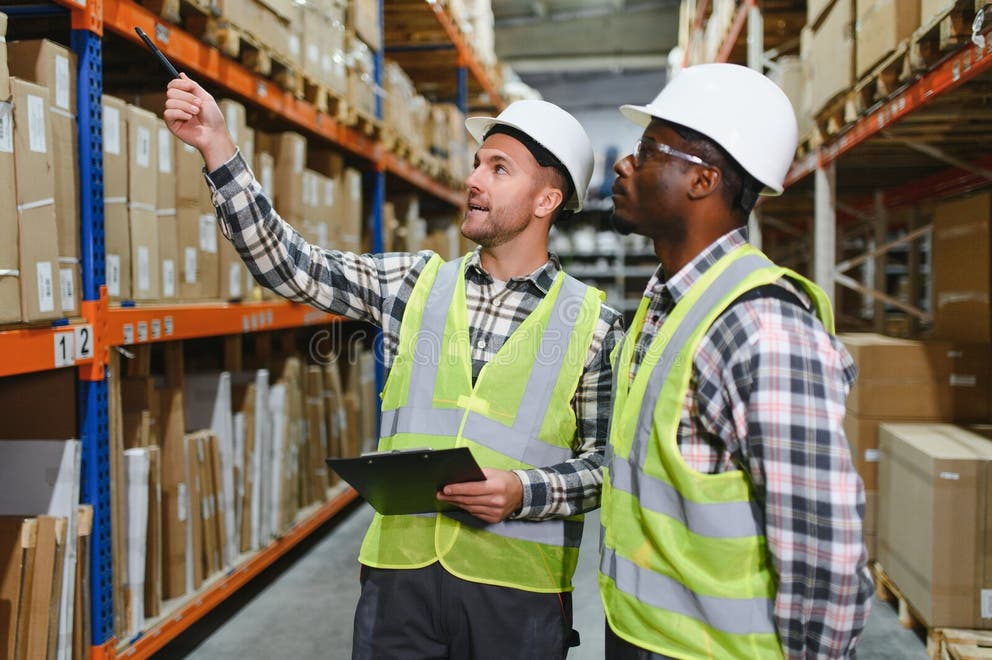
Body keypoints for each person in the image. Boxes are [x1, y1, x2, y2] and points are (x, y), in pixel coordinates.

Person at [164, 74, 623, 659]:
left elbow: (608, 467)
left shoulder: (594, 323)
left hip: (518, 595)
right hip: (398, 579)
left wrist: (523, 490)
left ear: (546, 200)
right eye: (478, 164)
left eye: (499, 169)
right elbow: (291, 265)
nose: (473, 180)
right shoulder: (415, 282)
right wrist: (219, 149)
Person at [598, 63, 874, 659]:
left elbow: (822, 545)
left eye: (646, 151)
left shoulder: (762, 329)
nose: (623, 164)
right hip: (639, 637)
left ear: (702, 179)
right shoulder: (663, 304)